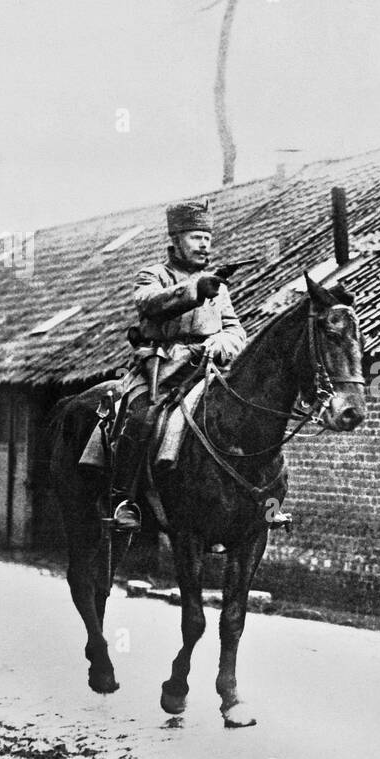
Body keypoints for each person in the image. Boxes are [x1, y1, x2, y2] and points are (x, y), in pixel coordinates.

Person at [104, 197, 247, 531]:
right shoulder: (152, 275)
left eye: (208, 238)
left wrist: (219, 344)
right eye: (196, 237)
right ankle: (123, 500)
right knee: (140, 417)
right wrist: (197, 288)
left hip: (207, 368)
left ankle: (247, 503)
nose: (204, 244)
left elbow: (235, 329)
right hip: (160, 369)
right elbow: (150, 303)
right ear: (176, 240)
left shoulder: (217, 287)